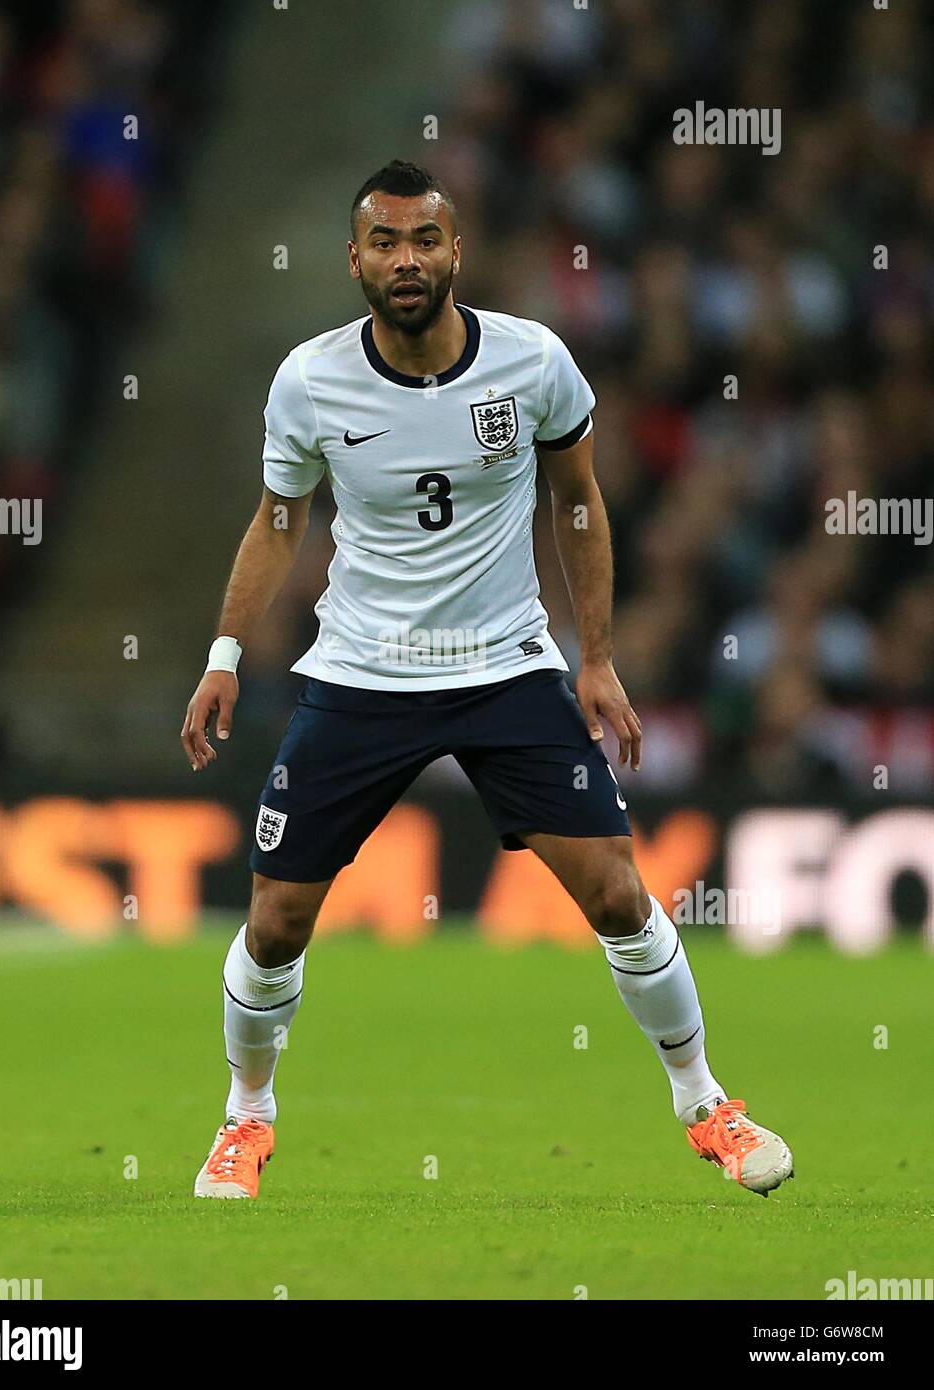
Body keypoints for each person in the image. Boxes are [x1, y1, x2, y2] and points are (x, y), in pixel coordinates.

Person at [180, 160, 792, 1200]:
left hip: (504, 667)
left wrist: (593, 657)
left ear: (456, 250)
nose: (406, 259)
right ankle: (245, 1118)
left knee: (615, 893)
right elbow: (279, 519)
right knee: (276, 919)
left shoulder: (533, 363)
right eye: (385, 241)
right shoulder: (310, 379)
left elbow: (580, 502)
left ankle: (706, 1103)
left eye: (424, 239)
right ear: (355, 259)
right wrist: (225, 656)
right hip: (362, 674)